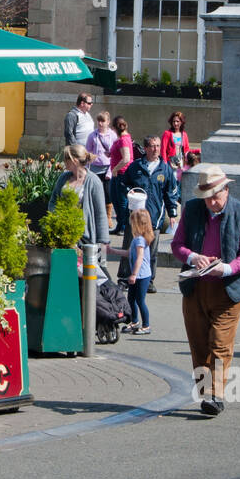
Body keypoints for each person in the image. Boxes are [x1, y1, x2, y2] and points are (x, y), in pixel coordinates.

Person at [170, 165, 240, 415]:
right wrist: (194, 257)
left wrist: (227, 269)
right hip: (195, 288)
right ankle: (206, 391)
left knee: (220, 344)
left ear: (226, 190)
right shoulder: (193, 209)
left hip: (228, 290)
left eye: (215, 196)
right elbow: (177, 246)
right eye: (206, 197)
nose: (211, 202)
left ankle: (216, 395)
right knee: (199, 345)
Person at [122, 135, 175, 291]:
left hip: (154, 216)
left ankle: (148, 280)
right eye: (152, 146)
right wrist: (129, 193)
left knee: (151, 251)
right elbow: (125, 183)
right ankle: (124, 277)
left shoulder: (165, 168)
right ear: (145, 148)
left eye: (158, 146)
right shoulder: (135, 167)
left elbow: (171, 192)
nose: (155, 149)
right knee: (130, 247)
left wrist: (172, 213)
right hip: (136, 217)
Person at [47, 144, 110, 274]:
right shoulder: (63, 178)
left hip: (84, 237)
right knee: (64, 273)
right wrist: (56, 217)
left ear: (74, 160)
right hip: (63, 234)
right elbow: (53, 201)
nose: (64, 162)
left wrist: (103, 243)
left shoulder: (93, 181)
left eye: (66, 159)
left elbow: (100, 214)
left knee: (87, 278)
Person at [126, 209, 155, 335]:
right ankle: (134, 321)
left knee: (139, 300)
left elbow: (139, 257)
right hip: (141, 274)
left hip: (141, 275)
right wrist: (113, 251)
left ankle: (146, 325)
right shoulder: (139, 238)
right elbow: (129, 253)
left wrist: (134, 274)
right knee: (131, 298)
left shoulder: (139, 240)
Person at [85, 111, 117, 226]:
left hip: (107, 167)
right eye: (98, 120)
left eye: (103, 121)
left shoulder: (113, 135)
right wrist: (86, 167)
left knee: (107, 192)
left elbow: (115, 153)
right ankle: (96, 216)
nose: (100, 123)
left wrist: (111, 170)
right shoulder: (92, 135)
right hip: (95, 168)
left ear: (108, 122)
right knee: (96, 192)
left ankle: (108, 217)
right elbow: (87, 152)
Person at [109, 116, 134, 234]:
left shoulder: (124, 139)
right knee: (115, 199)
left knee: (122, 201)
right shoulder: (122, 138)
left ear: (115, 127)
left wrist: (115, 169)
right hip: (117, 174)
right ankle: (120, 225)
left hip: (122, 174)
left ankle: (124, 226)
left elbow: (126, 158)